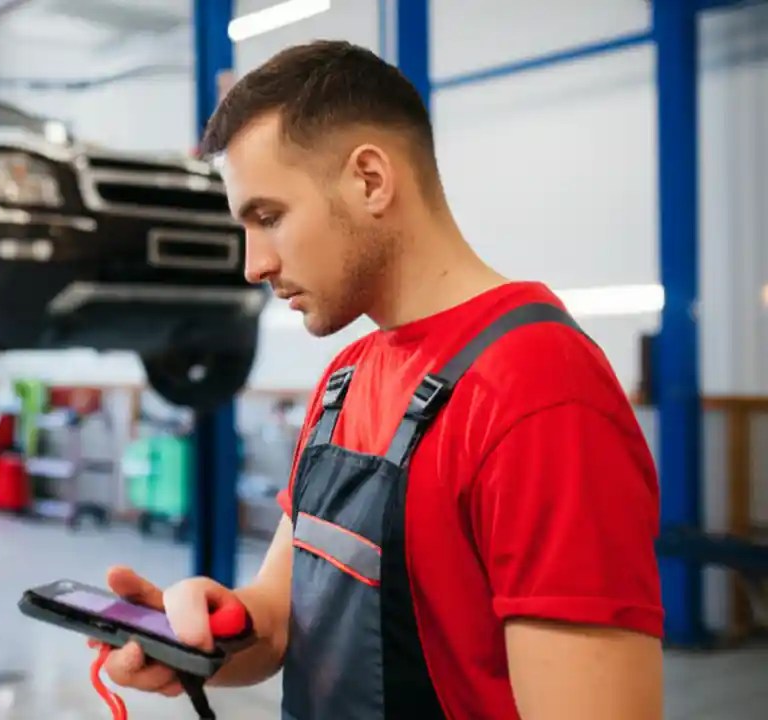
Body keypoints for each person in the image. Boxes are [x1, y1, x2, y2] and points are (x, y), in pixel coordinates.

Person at [95, 40, 664, 720]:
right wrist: (203, 636)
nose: (253, 264)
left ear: (370, 180)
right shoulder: (347, 378)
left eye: (269, 218)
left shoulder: (540, 392)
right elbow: (279, 622)